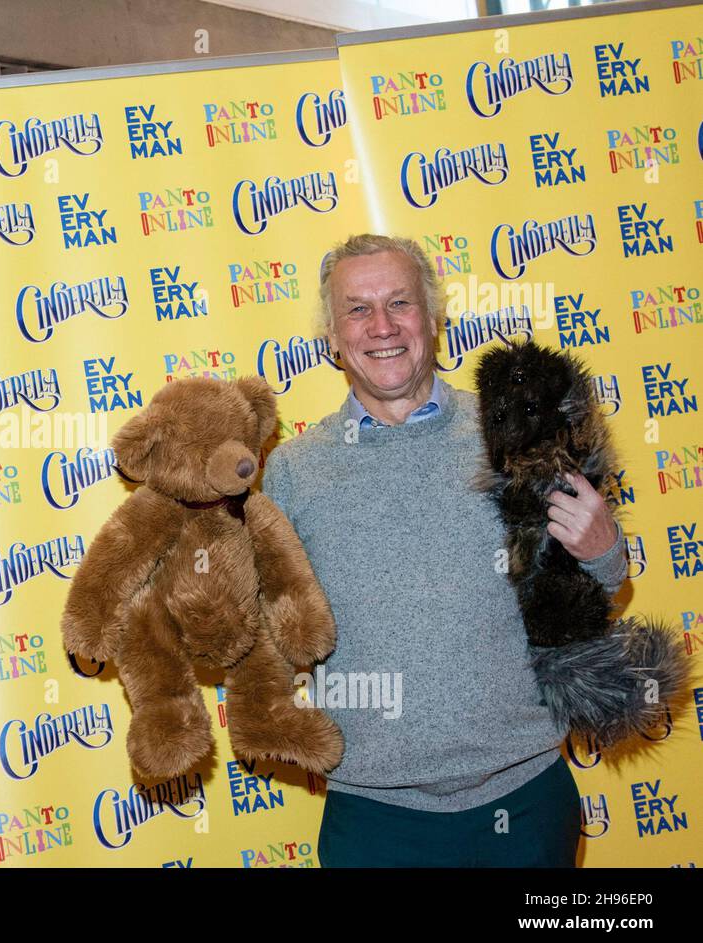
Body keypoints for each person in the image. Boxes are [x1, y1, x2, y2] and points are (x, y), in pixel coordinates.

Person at [262, 234, 627, 867]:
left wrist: (605, 547)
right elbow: (262, 633)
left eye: (400, 302)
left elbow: (601, 582)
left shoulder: (518, 434)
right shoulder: (291, 472)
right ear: (332, 339)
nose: (382, 326)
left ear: (434, 321)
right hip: (372, 816)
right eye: (357, 308)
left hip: (526, 794)